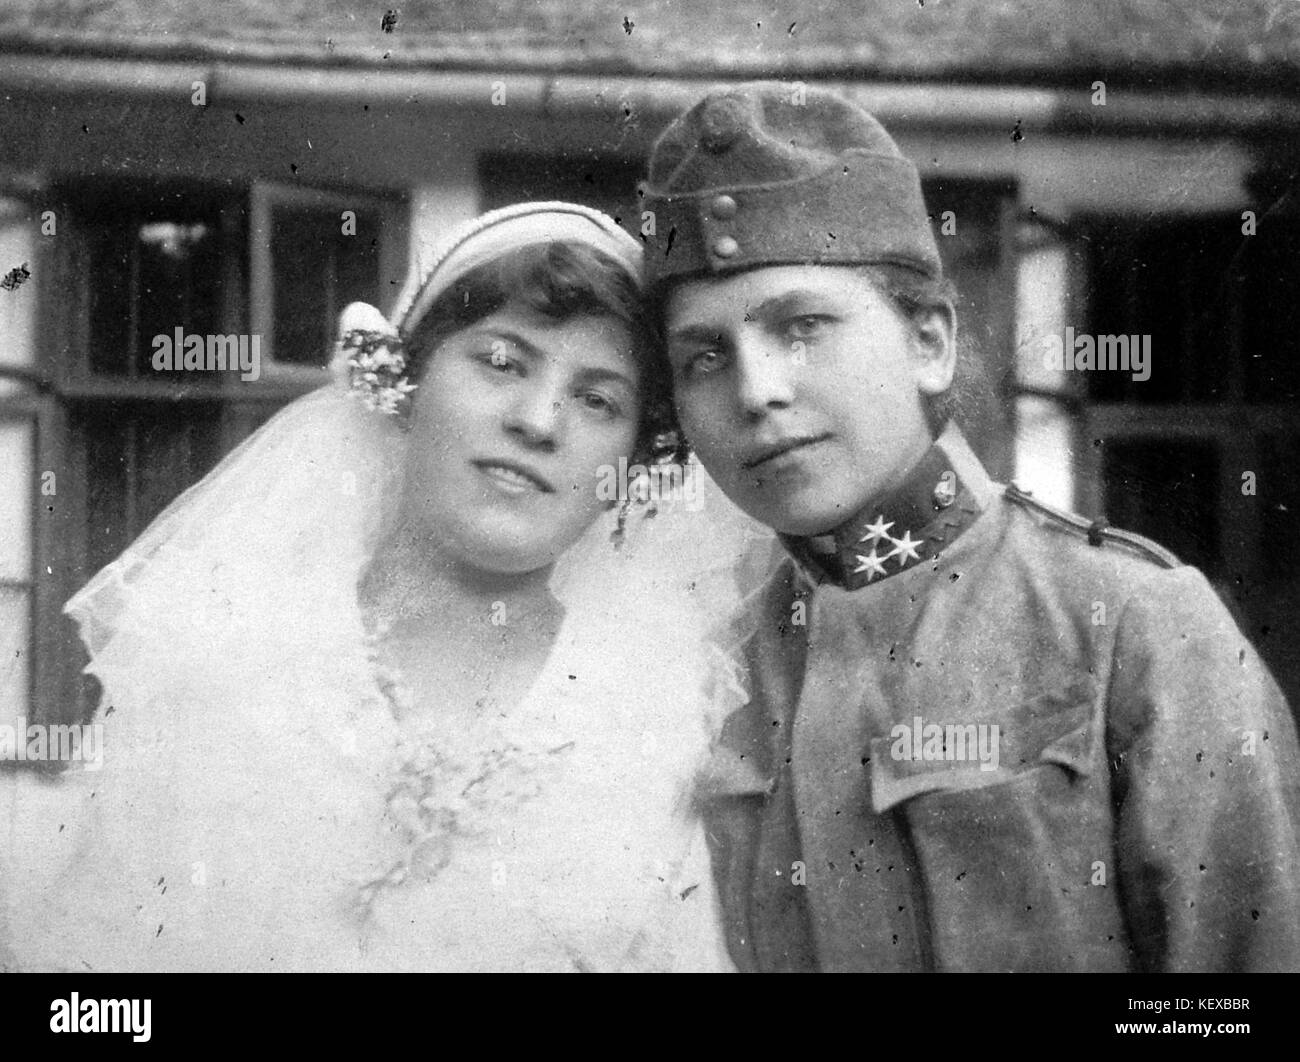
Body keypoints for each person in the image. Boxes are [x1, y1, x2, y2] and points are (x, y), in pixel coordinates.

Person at [641, 83, 1300, 972]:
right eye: (705, 356)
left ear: (930, 342)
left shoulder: (1130, 625)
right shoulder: (699, 670)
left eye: (802, 327)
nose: (756, 391)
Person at [0, 201, 760, 972]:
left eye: (599, 401)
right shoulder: (230, 647)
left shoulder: (658, 702)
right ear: (404, 383)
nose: (539, 420)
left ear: (629, 465)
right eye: (502, 361)